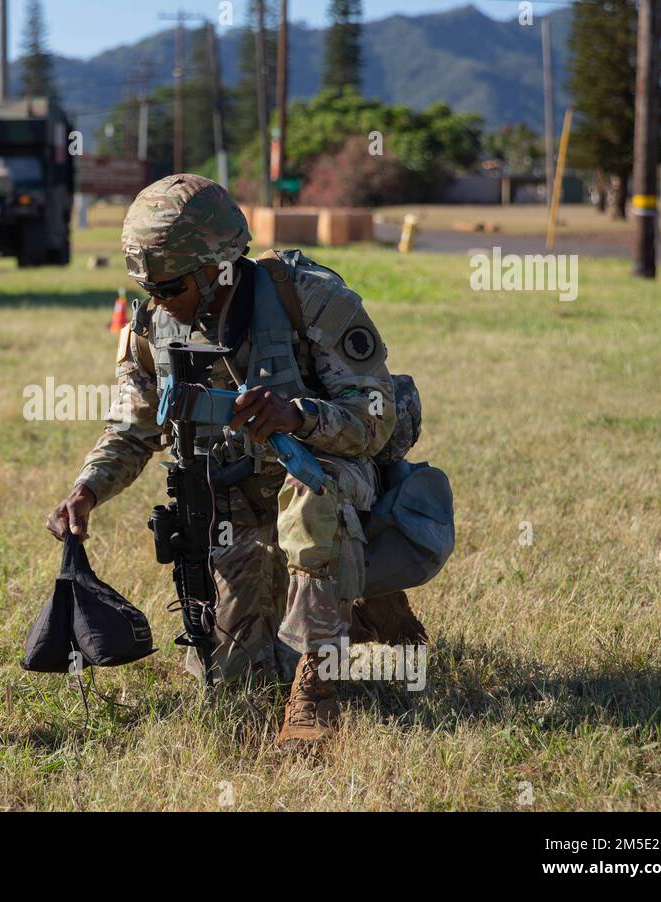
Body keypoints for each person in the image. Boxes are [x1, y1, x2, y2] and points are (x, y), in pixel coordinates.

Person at [45, 174, 424, 747]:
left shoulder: (311, 300)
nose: (156, 300)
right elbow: (132, 428)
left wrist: (299, 416)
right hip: (238, 507)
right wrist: (87, 490)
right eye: (146, 285)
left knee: (309, 502)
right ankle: (370, 606)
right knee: (236, 683)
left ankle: (315, 695)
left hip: (329, 476)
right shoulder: (154, 324)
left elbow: (375, 418)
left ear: (215, 267)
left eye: (169, 285)